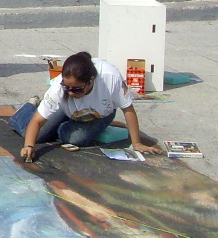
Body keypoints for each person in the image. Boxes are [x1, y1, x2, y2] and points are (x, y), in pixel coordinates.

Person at [11, 52, 163, 161]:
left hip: (99, 113)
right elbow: (37, 121)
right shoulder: (59, 86)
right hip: (65, 109)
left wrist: (136, 143)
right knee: (33, 134)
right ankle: (27, 109)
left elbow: (128, 109)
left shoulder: (110, 78)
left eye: (77, 89)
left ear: (91, 81)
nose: (71, 92)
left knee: (76, 139)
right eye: (67, 88)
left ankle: (60, 128)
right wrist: (29, 146)